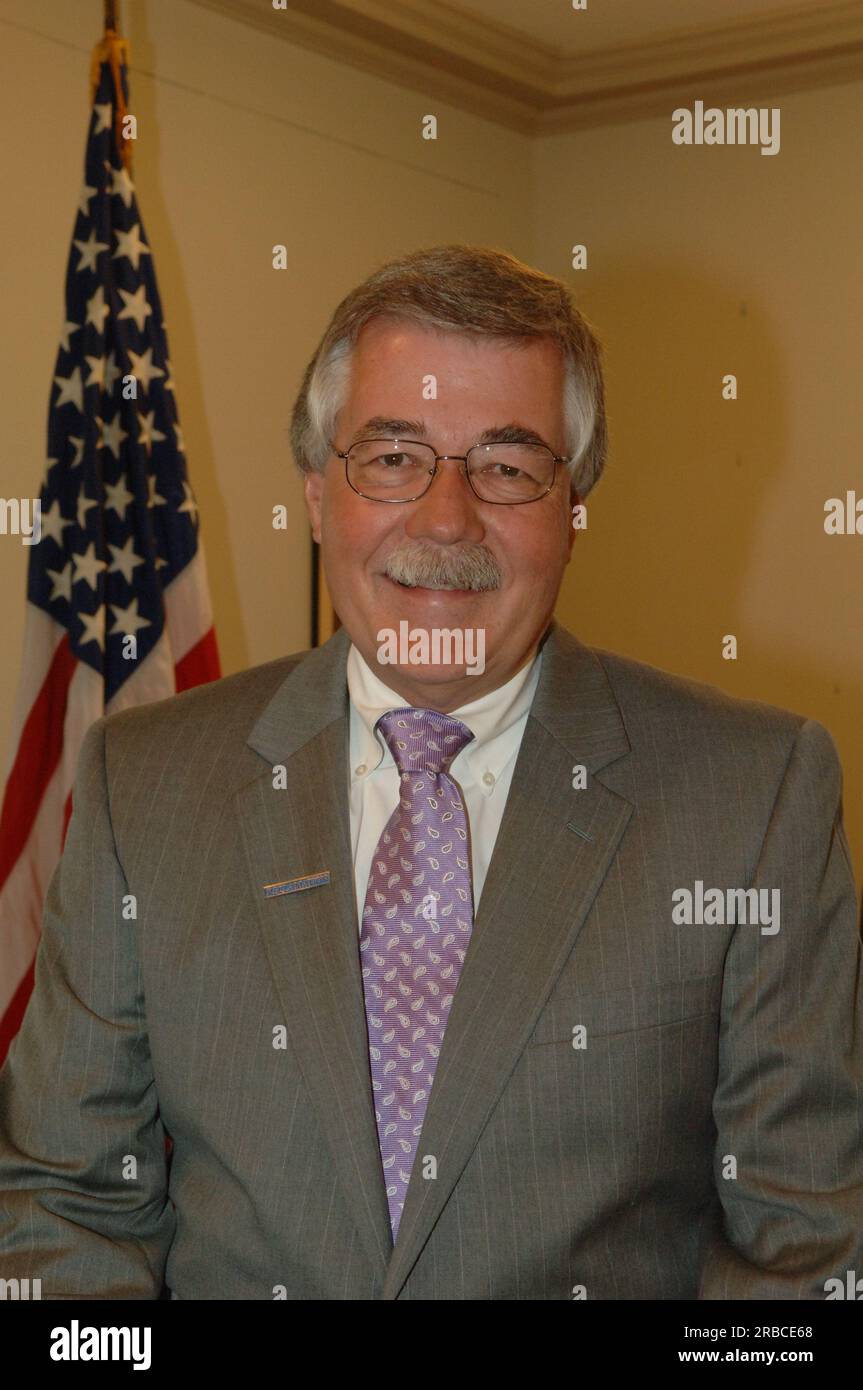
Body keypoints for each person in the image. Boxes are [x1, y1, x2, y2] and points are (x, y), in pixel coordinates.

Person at [1, 244, 861, 1300]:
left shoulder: (755, 794)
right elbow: (66, 1202)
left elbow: (803, 1253)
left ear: (571, 509)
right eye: (393, 457)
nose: (446, 519)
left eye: (505, 465)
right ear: (317, 495)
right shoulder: (145, 784)